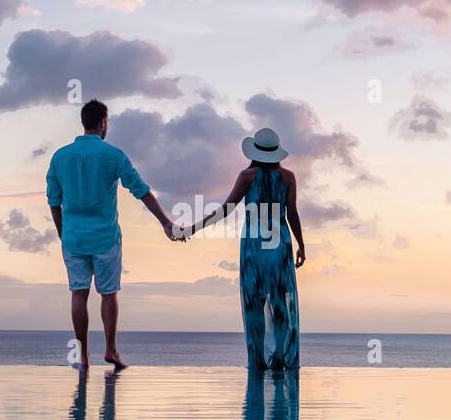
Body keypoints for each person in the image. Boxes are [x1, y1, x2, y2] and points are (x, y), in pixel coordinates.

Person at [46, 98, 180, 369]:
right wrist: (165, 222)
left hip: (73, 238)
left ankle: (83, 357)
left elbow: (53, 200)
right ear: (104, 123)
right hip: (105, 237)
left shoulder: (60, 156)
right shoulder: (113, 155)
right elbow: (140, 190)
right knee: (109, 293)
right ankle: (111, 350)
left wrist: (63, 233)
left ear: (83, 122)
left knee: (78, 293)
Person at [196, 126, 304, 371]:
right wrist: (301, 245)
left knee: (254, 302)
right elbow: (293, 214)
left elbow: (225, 209)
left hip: (254, 248)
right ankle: (280, 356)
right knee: (280, 301)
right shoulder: (288, 177)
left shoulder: (247, 177)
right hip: (280, 246)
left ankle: (257, 360)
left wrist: (194, 227)